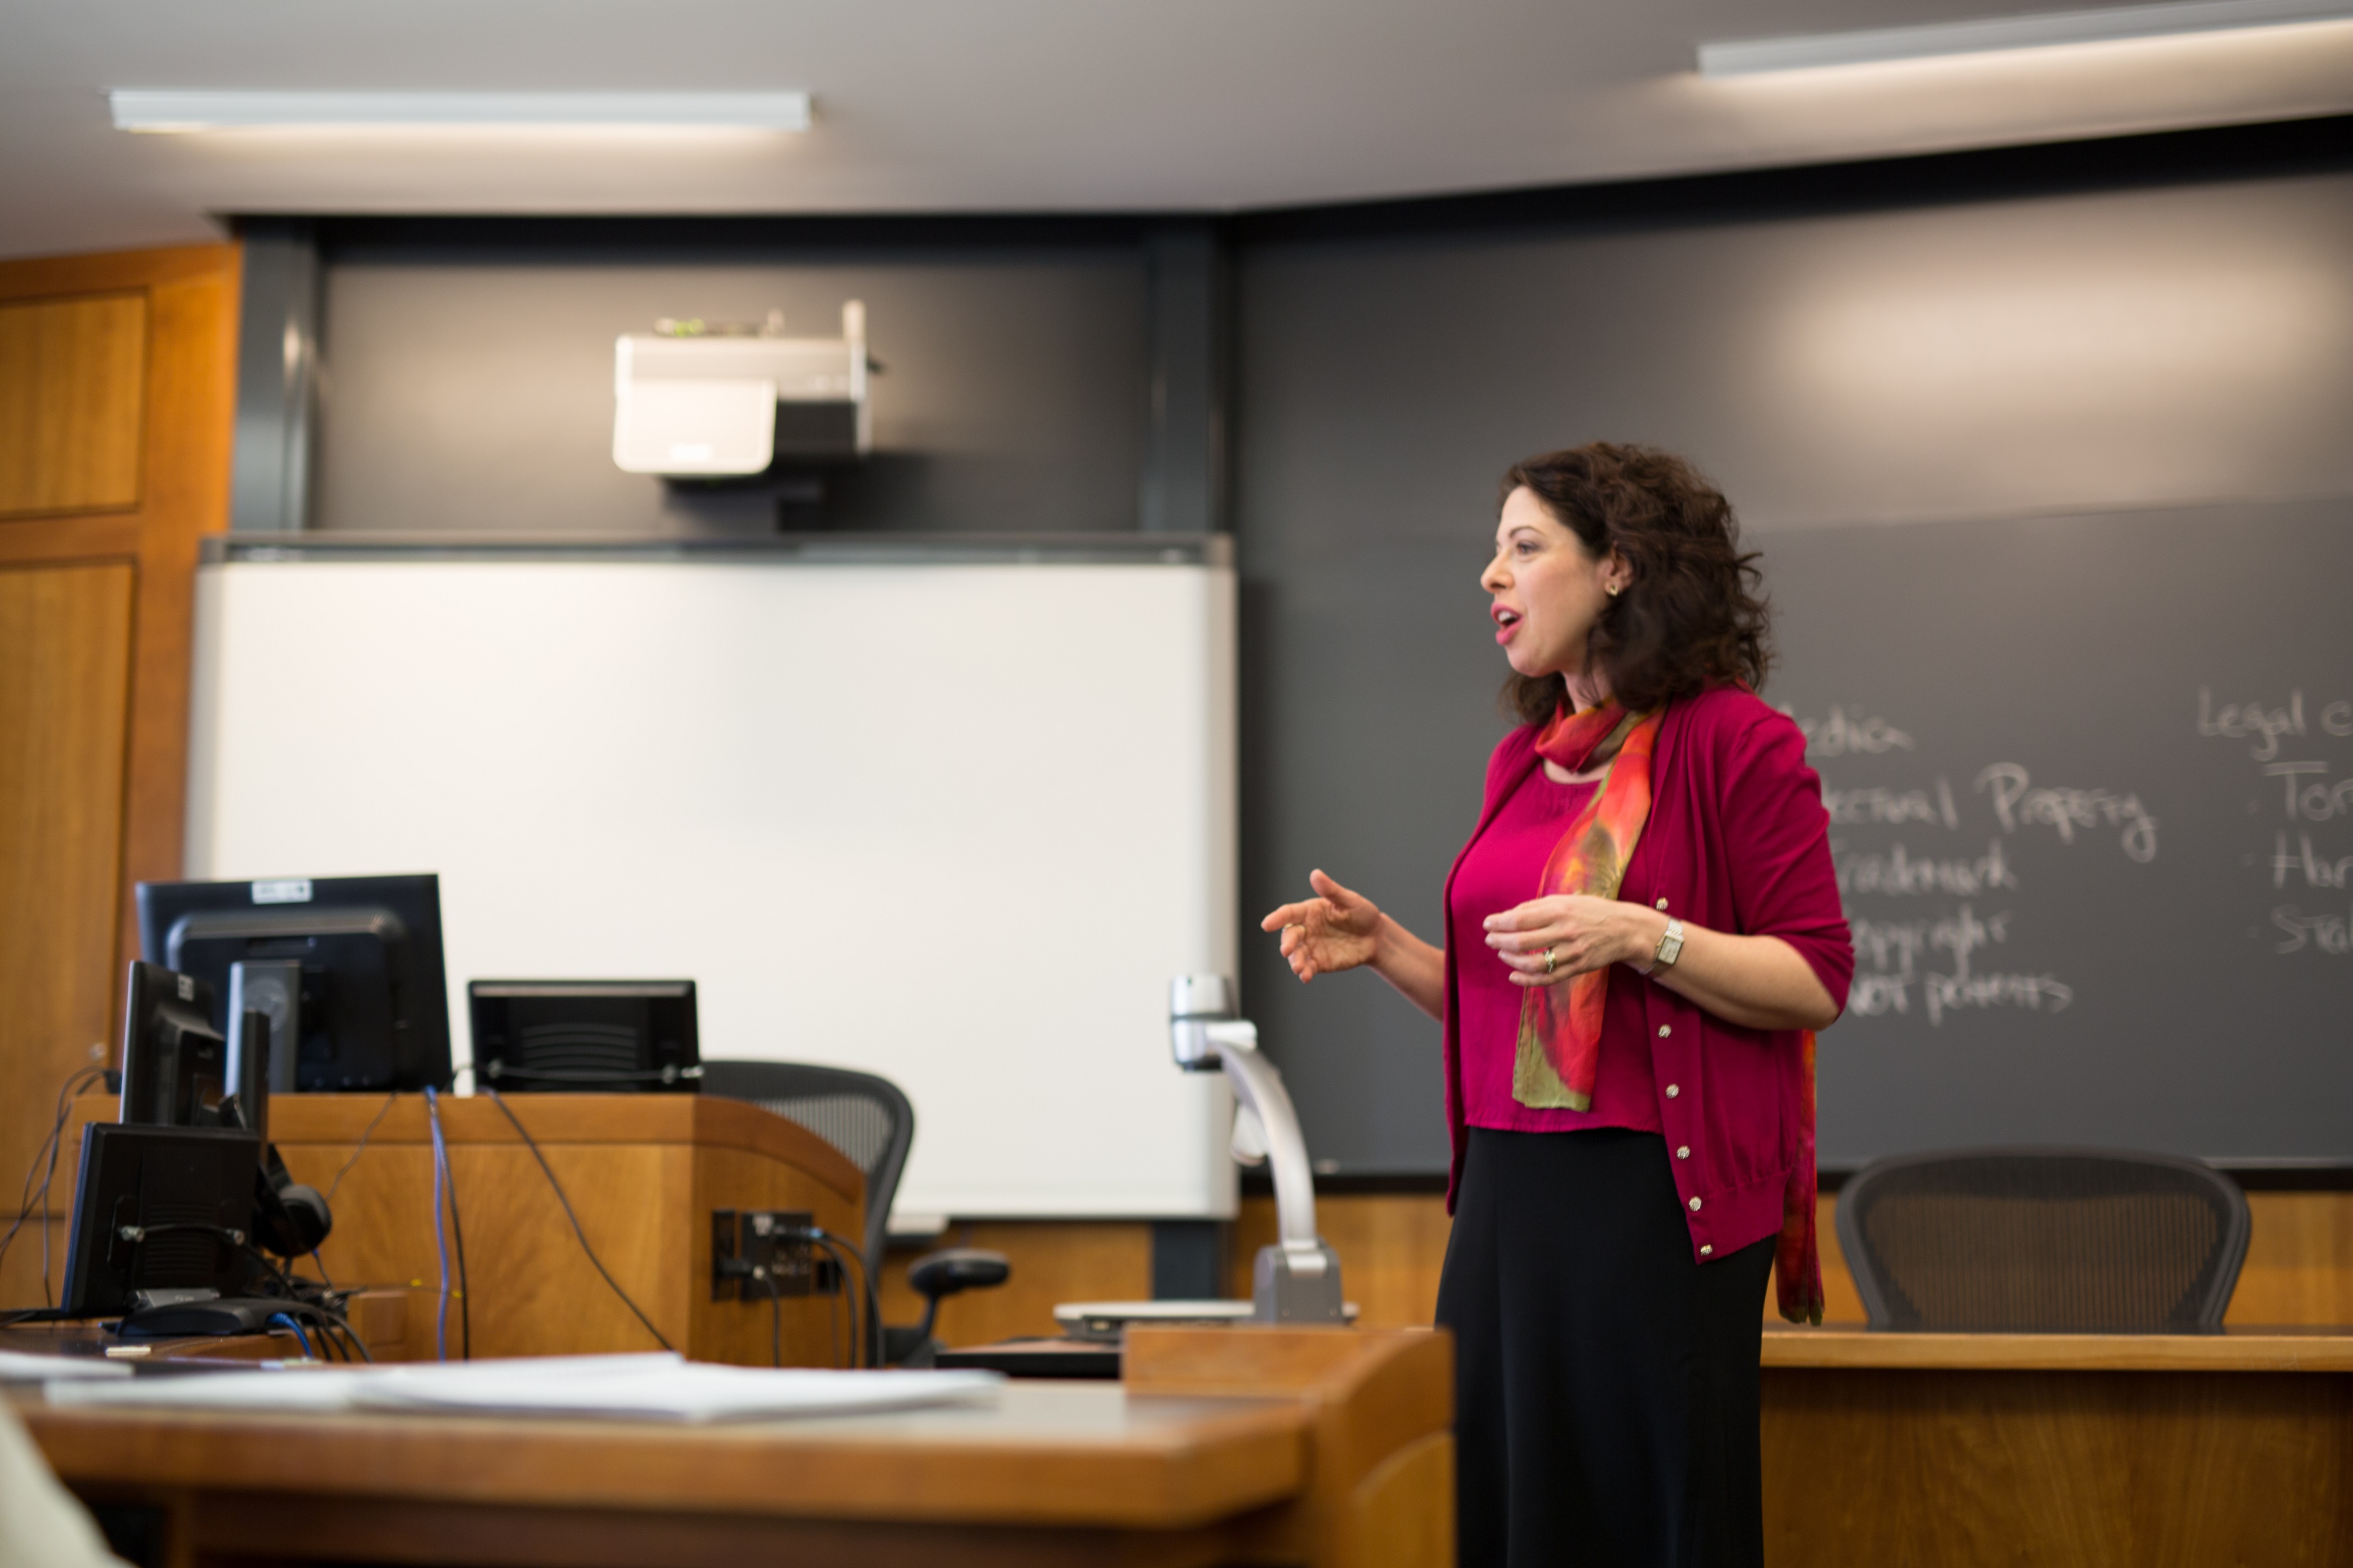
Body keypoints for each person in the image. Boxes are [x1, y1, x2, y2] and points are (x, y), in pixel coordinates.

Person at [1261, 443, 1852, 1568]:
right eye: (1494, 552)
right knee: (1505, 1508)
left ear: (1620, 567)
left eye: (1524, 549)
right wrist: (1387, 946)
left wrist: (1644, 934)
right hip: (1508, 1196)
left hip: (1654, 1205)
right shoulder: (1522, 765)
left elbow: (1817, 977)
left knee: (1650, 1517)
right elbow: (1509, 1014)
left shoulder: (1737, 742)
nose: (1492, 576)